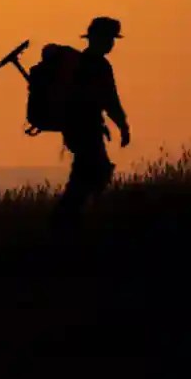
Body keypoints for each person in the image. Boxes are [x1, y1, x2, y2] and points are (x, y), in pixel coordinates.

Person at [52, 16, 130, 229]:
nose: (112, 43)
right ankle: (66, 222)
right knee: (92, 173)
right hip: (86, 130)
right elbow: (110, 100)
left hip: (78, 129)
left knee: (90, 172)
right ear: (99, 39)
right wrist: (123, 126)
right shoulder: (99, 66)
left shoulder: (79, 63)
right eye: (110, 39)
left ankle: (73, 220)